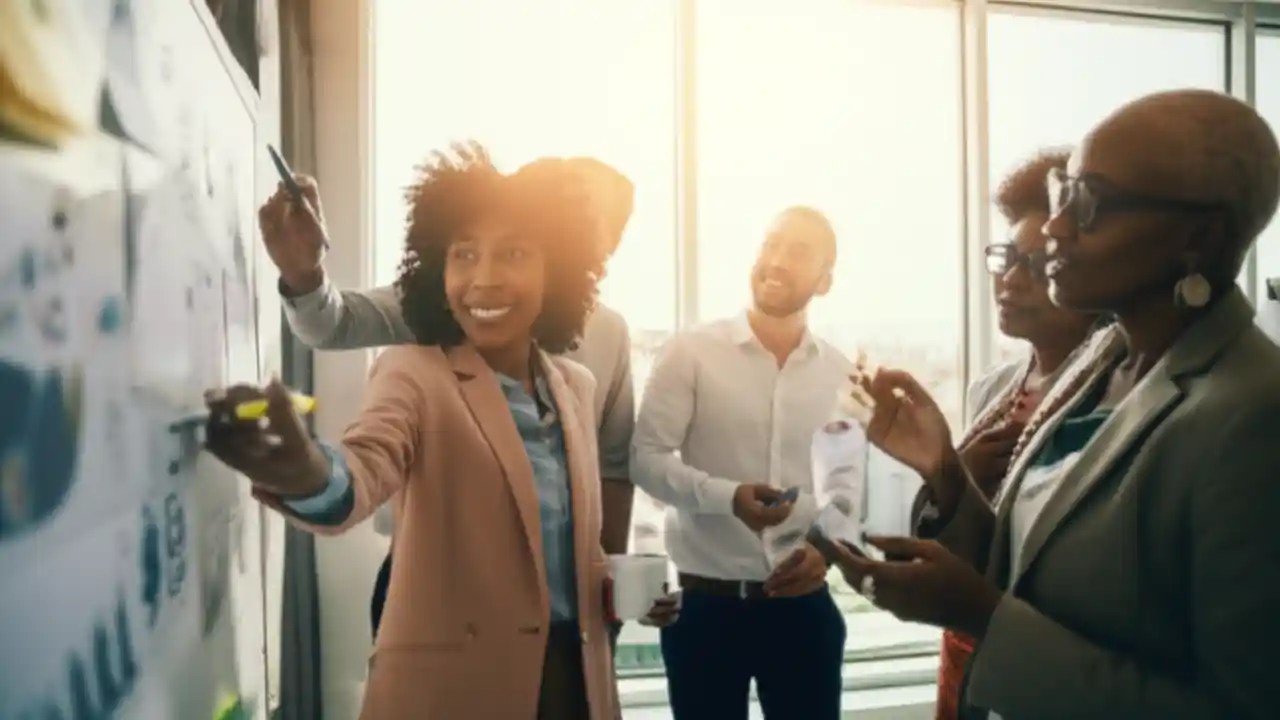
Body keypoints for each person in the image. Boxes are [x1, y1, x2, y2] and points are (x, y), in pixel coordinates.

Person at [834, 89, 1280, 719]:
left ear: (1197, 238)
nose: (1054, 228)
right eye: (1059, 193)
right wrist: (945, 472)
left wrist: (979, 616)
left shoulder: (1253, 414)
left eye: (1089, 203)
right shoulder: (1100, 365)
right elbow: (1029, 563)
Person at [206, 145, 675, 719]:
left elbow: (586, 502)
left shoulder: (576, 382)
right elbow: (362, 463)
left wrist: (616, 585)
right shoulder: (415, 365)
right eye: (465, 254)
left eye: (516, 253)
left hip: (570, 668)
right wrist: (306, 473)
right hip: (456, 647)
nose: (485, 278)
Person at [261, 154, 637, 634]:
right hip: (433, 580)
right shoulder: (453, 292)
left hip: (565, 594)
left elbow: (614, 464)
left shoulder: (605, 341)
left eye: (603, 224)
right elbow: (333, 324)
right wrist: (304, 273)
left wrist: (612, 582)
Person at [631, 206, 848, 719]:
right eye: (770, 244)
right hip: (704, 613)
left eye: (797, 251)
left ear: (825, 280)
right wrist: (728, 497)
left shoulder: (841, 375)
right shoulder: (690, 352)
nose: (776, 260)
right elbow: (646, 460)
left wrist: (829, 551)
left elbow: (849, 496)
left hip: (804, 612)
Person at [930, 148, 1099, 720]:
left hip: (1044, 653)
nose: (1010, 279)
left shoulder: (1111, 395)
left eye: (1034, 262)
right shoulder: (992, 389)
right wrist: (950, 474)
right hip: (962, 642)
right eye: (1006, 257)